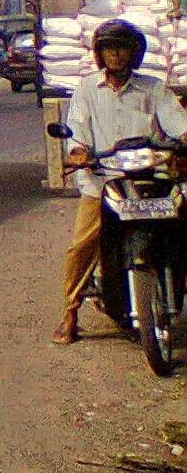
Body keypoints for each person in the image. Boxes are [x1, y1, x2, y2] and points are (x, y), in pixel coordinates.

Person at [53, 18, 187, 344]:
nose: (116, 55)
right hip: (102, 183)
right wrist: (79, 151)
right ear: (100, 54)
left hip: (150, 180)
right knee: (83, 245)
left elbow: (177, 123)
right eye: (109, 49)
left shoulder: (153, 89)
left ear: (134, 53)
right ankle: (70, 312)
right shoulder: (86, 89)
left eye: (123, 48)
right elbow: (77, 129)